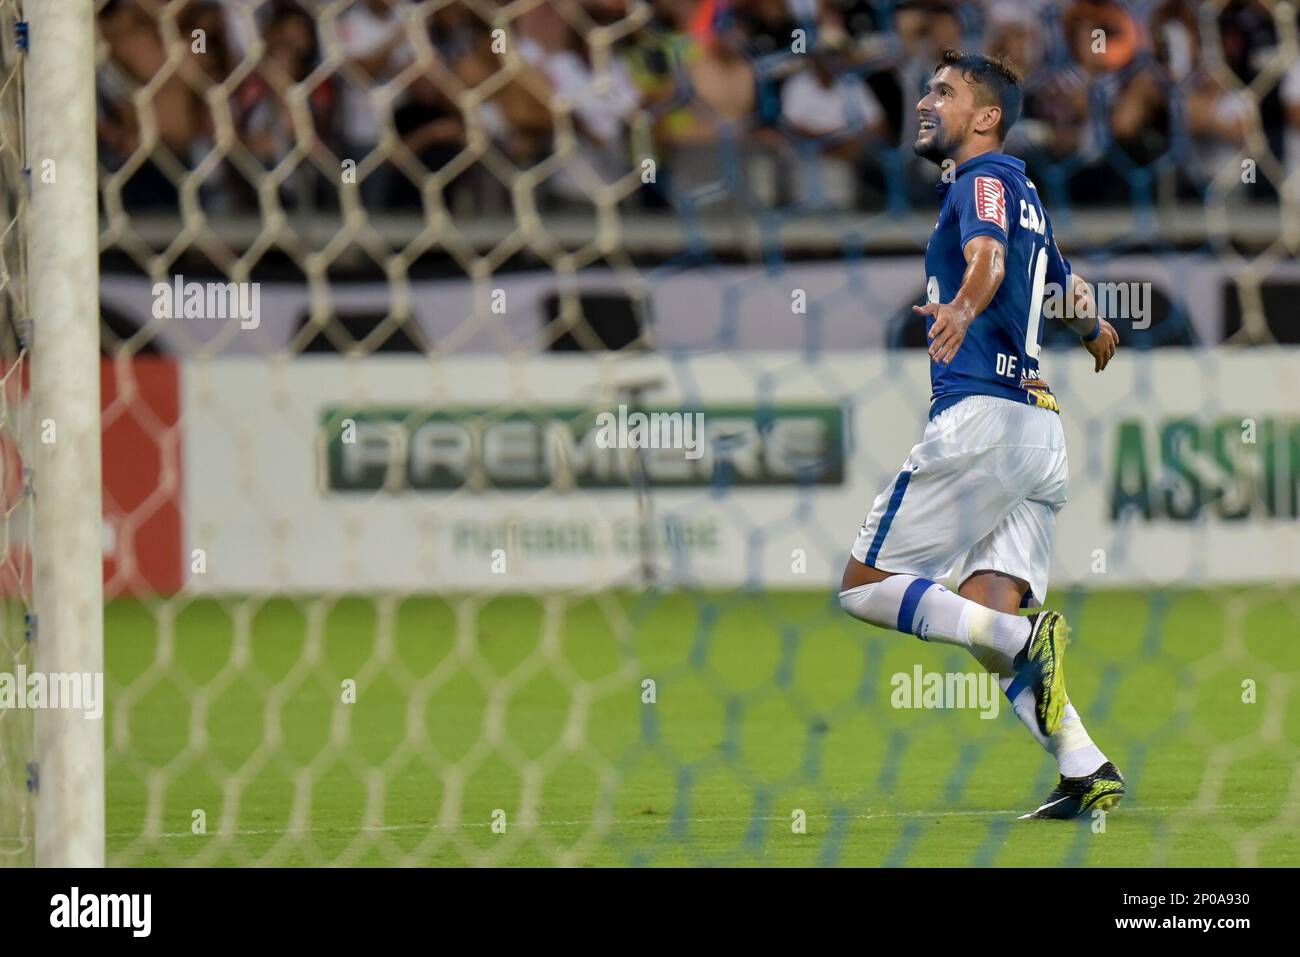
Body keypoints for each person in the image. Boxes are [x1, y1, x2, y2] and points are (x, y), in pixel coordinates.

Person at [837, 49, 1126, 820]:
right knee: (986, 622)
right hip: (1039, 432)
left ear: (986, 116)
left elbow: (989, 258)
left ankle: (1027, 639)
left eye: (944, 92)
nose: (926, 102)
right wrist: (1098, 328)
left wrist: (964, 305)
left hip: (982, 418)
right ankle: (1084, 763)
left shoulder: (982, 181)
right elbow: (1066, 291)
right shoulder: (1029, 192)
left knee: (861, 589)